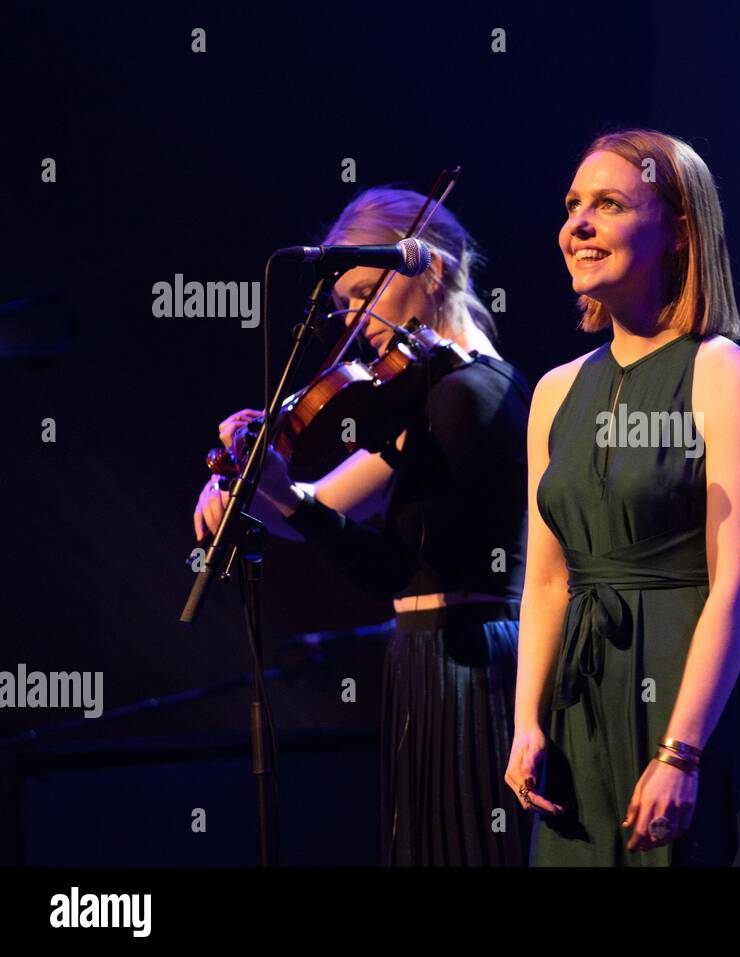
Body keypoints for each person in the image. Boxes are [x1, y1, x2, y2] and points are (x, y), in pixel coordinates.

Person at [193, 187, 532, 866]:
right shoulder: (430, 391)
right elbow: (324, 502)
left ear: (429, 269)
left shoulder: (472, 393)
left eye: (361, 294)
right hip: (429, 657)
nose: (349, 318)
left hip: (468, 660)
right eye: (341, 301)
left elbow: (388, 567)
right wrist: (246, 485)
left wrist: (286, 500)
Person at [504, 129, 740, 865]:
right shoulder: (555, 391)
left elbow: (736, 583)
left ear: (679, 232)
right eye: (573, 205)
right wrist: (526, 721)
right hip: (582, 702)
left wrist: (682, 751)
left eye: (608, 204)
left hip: (693, 693)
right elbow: (546, 580)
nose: (577, 225)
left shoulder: (725, 376)